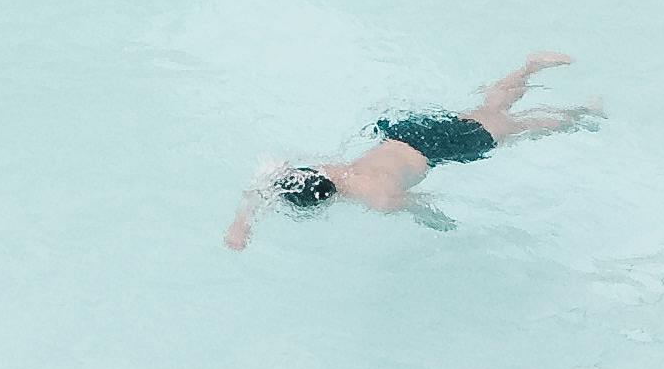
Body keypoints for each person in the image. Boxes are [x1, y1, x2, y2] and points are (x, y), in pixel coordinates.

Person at [224, 53, 595, 250]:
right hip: (403, 131)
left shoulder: (378, 197)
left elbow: (425, 206)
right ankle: (529, 69)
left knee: (517, 126)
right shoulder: (326, 171)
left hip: (434, 147)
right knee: (491, 111)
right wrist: (240, 227)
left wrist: (442, 226)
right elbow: (262, 186)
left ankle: (579, 113)